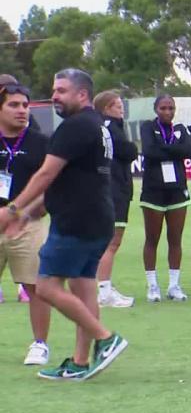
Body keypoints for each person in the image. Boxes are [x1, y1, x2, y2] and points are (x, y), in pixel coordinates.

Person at [0, 68, 128, 381]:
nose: (54, 95)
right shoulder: (96, 126)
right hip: (97, 217)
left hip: (75, 220)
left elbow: (45, 175)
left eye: (61, 90)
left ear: (82, 94)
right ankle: (81, 362)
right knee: (84, 290)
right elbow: (66, 180)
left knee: (45, 287)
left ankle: (105, 338)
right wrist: (31, 215)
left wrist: (14, 210)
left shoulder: (74, 127)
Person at [0, 83, 54, 365]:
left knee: (36, 287)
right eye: (13, 105)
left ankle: (40, 344)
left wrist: (18, 216)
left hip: (27, 223)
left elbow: (49, 187)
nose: (21, 110)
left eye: (24, 105)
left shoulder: (41, 142)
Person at [140, 95, 191, 302]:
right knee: (152, 239)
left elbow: (189, 151)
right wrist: (174, 150)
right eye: (163, 108)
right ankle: (152, 286)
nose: (167, 112)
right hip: (153, 191)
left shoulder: (180, 129)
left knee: (175, 239)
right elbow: (149, 151)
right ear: (156, 109)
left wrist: (165, 149)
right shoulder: (147, 127)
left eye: (171, 108)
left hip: (177, 191)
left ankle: (174, 285)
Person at [92, 91, 138, 307]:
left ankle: (105, 288)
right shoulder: (109, 128)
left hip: (114, 187)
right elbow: (129, 151)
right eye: (118, 106)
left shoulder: (109, 127)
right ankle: (104, 292)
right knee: (112, 242)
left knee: (110, 241)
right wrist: (131, 148)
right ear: (107, 108)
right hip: (114, 189)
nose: (122, 110)